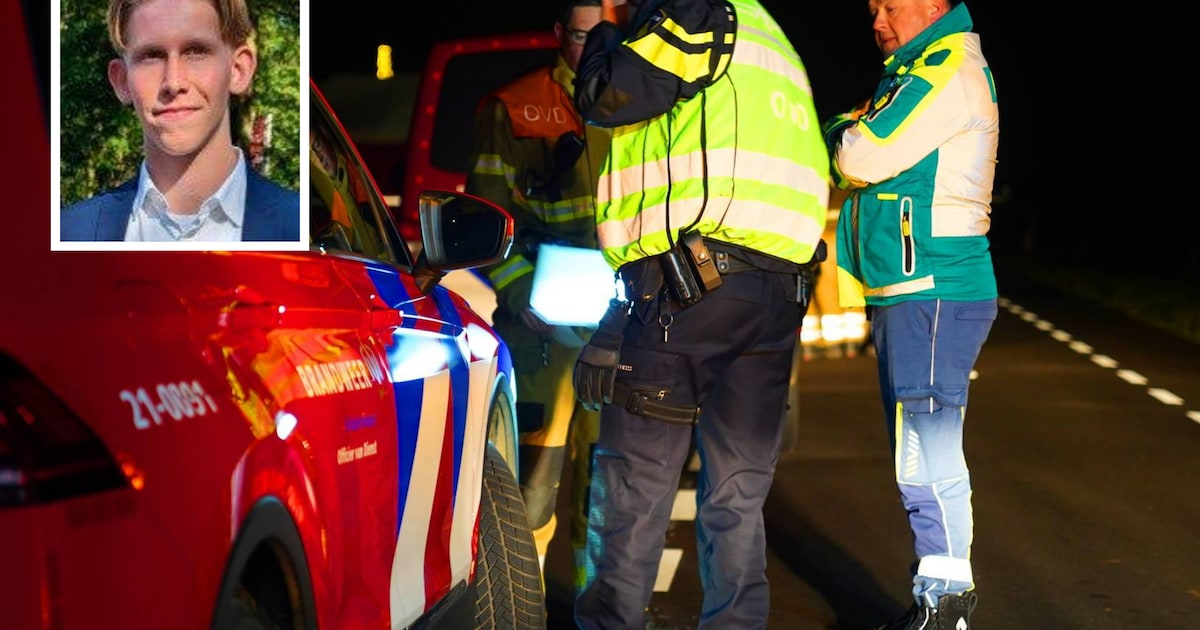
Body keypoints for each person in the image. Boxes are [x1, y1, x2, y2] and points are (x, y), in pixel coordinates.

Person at [569, 0, 829, 626]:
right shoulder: (776, 40)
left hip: (689, 293)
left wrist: (605, 24)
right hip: (775, 296)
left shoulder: (695, 13)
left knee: (634, 484)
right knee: (737, 494)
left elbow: (608, 94)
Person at [821, 1, 999, 628]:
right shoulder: (916, 66)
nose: (876, 20)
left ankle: (945, 604)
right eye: (870, 8)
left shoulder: (944, 67)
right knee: (918, 447)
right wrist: (856, 126)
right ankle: (939, 596)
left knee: (926, 449)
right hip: (913, 288)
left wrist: (845, 126)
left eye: (889, 6)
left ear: (932, 5)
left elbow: (859, 156)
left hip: (933, 286)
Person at [462, 0, 611, 593]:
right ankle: (522, 605)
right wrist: (523, 292)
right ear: (558, 36)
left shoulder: (639, 106)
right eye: (580, 36)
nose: (592, 47)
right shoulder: (514, 109)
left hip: (617, 324)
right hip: (541, 325)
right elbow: (484, 219)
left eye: (603, 34)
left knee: (608, 486)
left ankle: (597, 607)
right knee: (534, 482)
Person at [61, 0, 299, 243]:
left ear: (238, 70)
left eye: (196, 52)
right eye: (151, 56)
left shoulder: (301, 228)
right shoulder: (68, 234)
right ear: (122, 81)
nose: (173, 83)